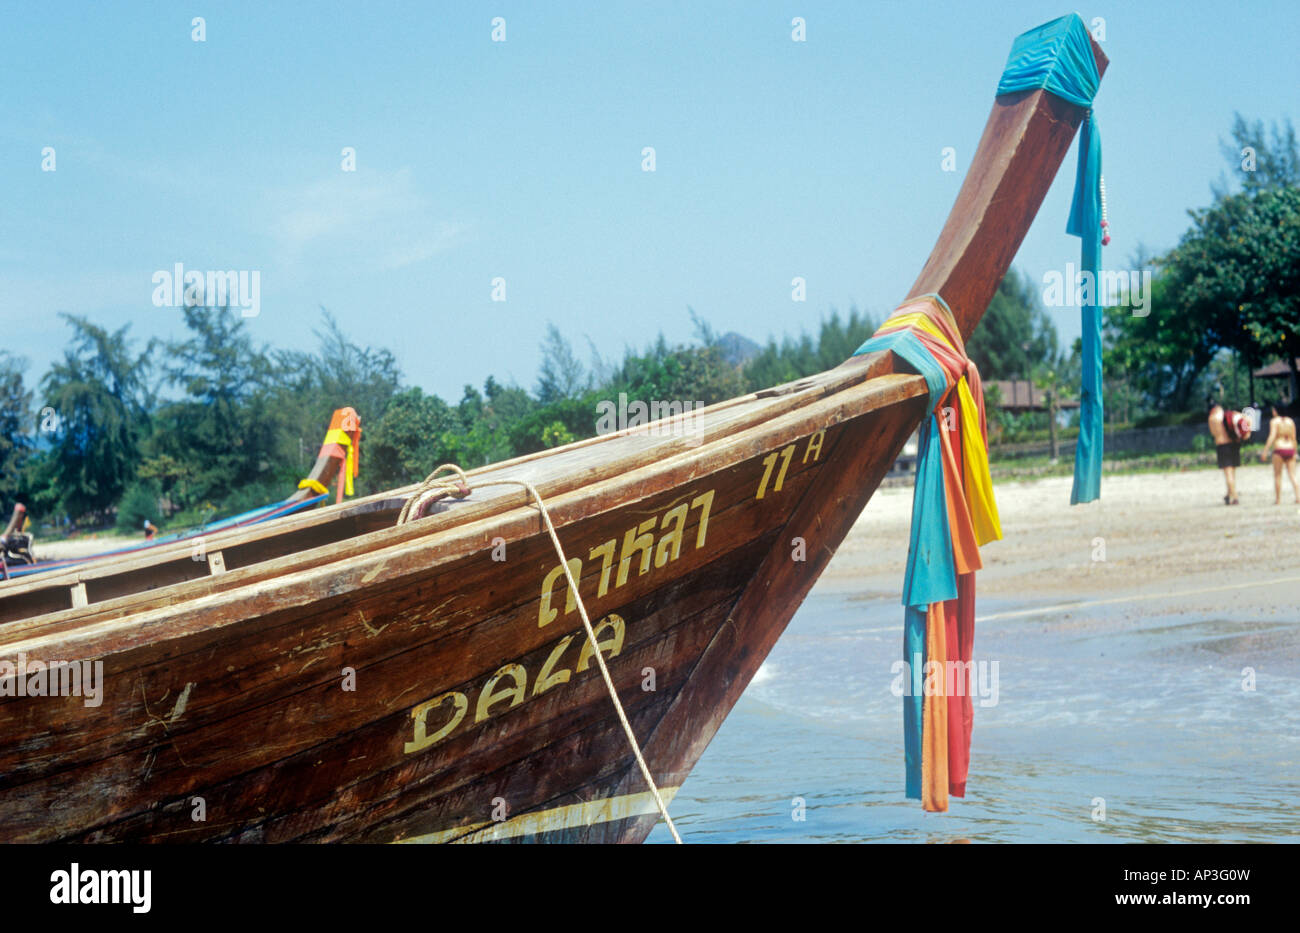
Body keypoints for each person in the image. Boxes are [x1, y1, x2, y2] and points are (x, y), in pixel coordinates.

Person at [1258, 401, 1300, 505]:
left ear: (1276, 411)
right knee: (1292, 475)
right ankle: (1298, 497)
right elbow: (1294, 438)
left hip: (1279, 449)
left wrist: (1265, 451)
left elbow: (1272, 436)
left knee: (1278, 475)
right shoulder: (1290, 421)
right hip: (1290, 449)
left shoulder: (1274, 421)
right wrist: (1295, 451)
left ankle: (1278, 500)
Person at [1207, 397, 1242, 504]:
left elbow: (1213, 434)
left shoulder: (1212, 418)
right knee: (1232, 472)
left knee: (1228, 473)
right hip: (1234, 444)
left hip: (1222, 446)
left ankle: (1234, 496)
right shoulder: (1229, 414)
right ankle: (1229, 493)